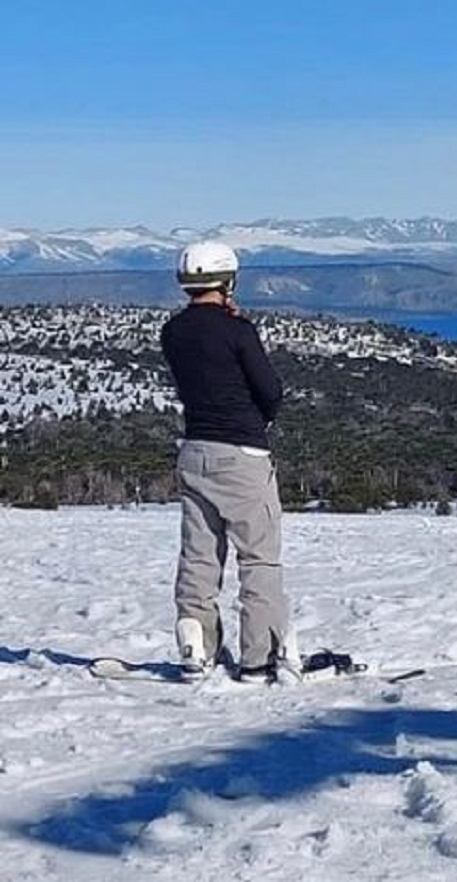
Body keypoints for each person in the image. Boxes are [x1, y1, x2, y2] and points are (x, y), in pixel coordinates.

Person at [160, 241, 297, 683]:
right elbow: (270, 391)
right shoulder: (239, 331)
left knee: (199, 556)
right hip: (241, 453)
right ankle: (259, 658)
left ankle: (195, 649)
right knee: (258, 558)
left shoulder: (172, 331)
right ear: (228, 280)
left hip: (194, 450)